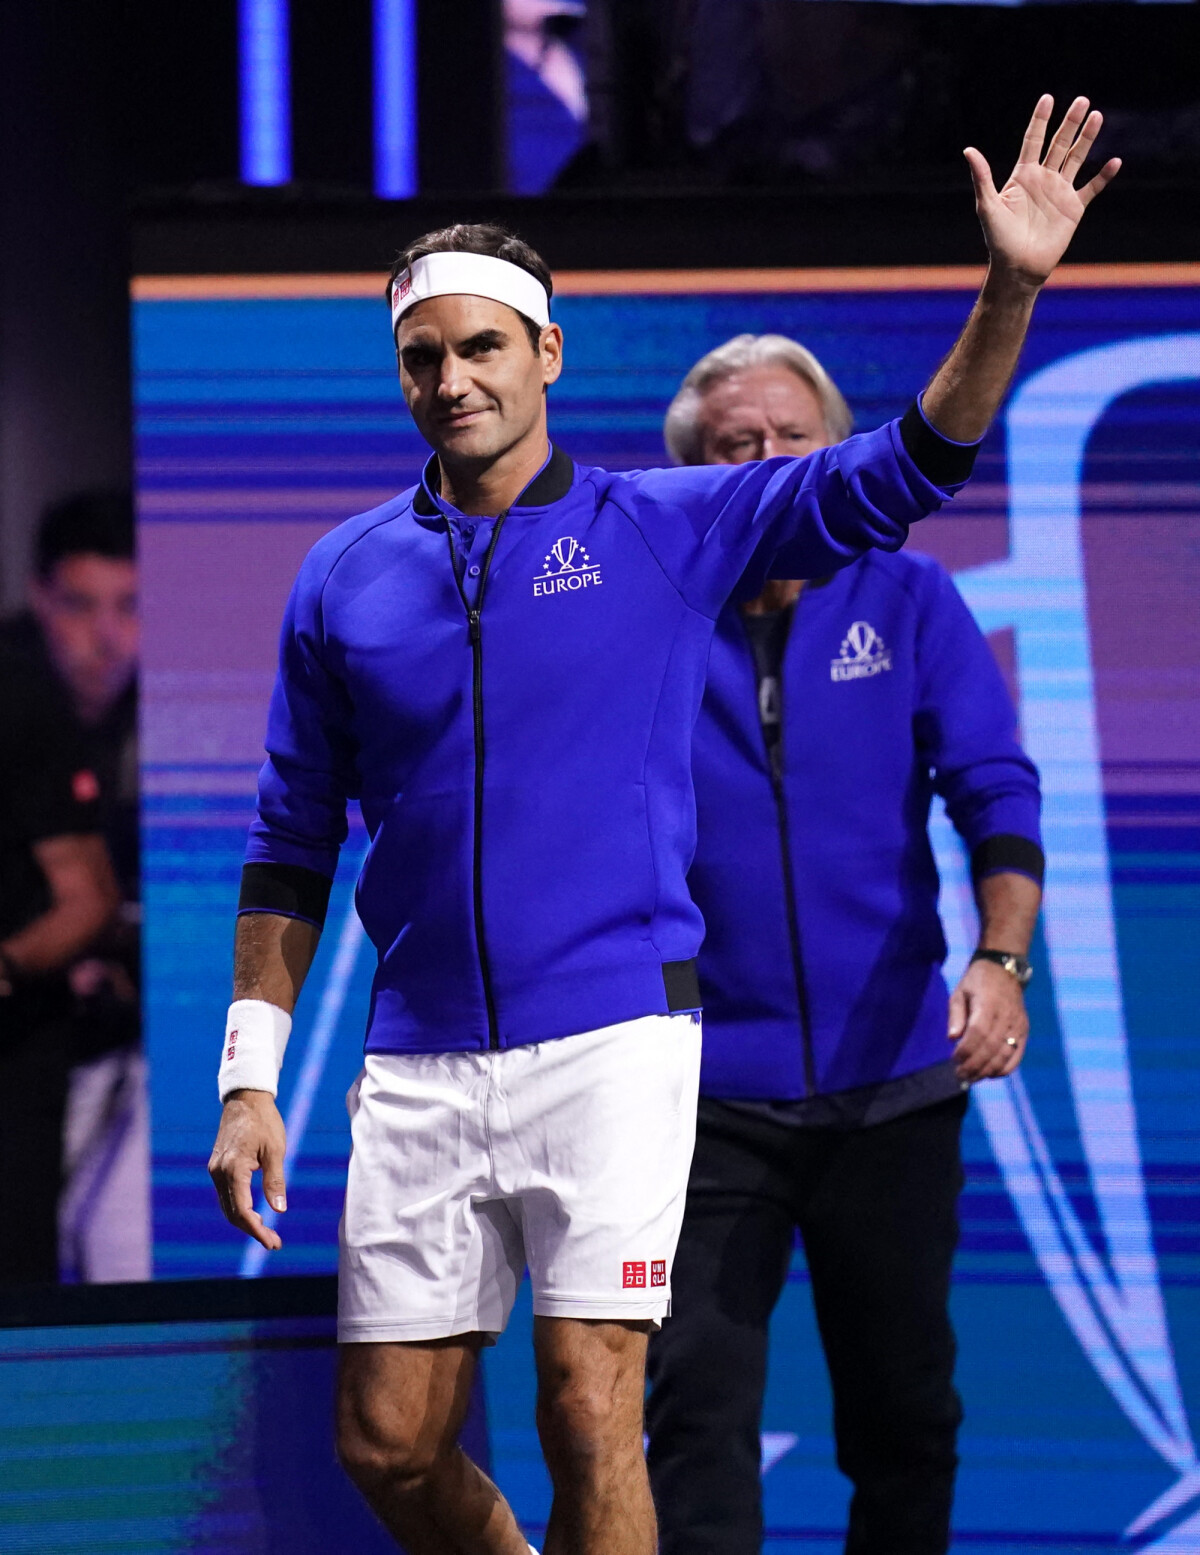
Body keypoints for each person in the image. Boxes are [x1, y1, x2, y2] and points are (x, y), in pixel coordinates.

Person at [207, 97, 1117, 1555]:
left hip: (620, 1035)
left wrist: (1008, 287)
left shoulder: (666, 527)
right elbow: (289, 836)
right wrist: (250, 1077)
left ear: (548, 354)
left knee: (594, 1408)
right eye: (423, 355)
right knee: (387, 1442)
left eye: (484, 345)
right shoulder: (341, 576)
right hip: (419, 1053)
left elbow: (914, 464)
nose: (453, 379)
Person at [645, 324, 1042, 1555]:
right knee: (694, 1420)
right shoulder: (649, 619)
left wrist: (1001, 958)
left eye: (791, 439)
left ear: (836, 452)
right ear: (698, 476)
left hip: (893, 1091)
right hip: (702, 1104)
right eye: (735, 447)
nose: (766, 462)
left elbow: (996, 792)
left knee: (905, 1418)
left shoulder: (910, 594)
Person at [0, 492, 146, 1284]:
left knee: (112, 1251)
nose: (107, 636)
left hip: (145, 1045)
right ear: (38, 598)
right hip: (33, 1039)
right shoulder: (15, 699)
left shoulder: (182, 722)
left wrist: (114, 941)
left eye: (131, 605)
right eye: (81, 605)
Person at [0, 666, 119, 1285]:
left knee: (16, 1290)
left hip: (14, 1058)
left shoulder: (20, 702)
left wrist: (9, 962)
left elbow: (89, 897)